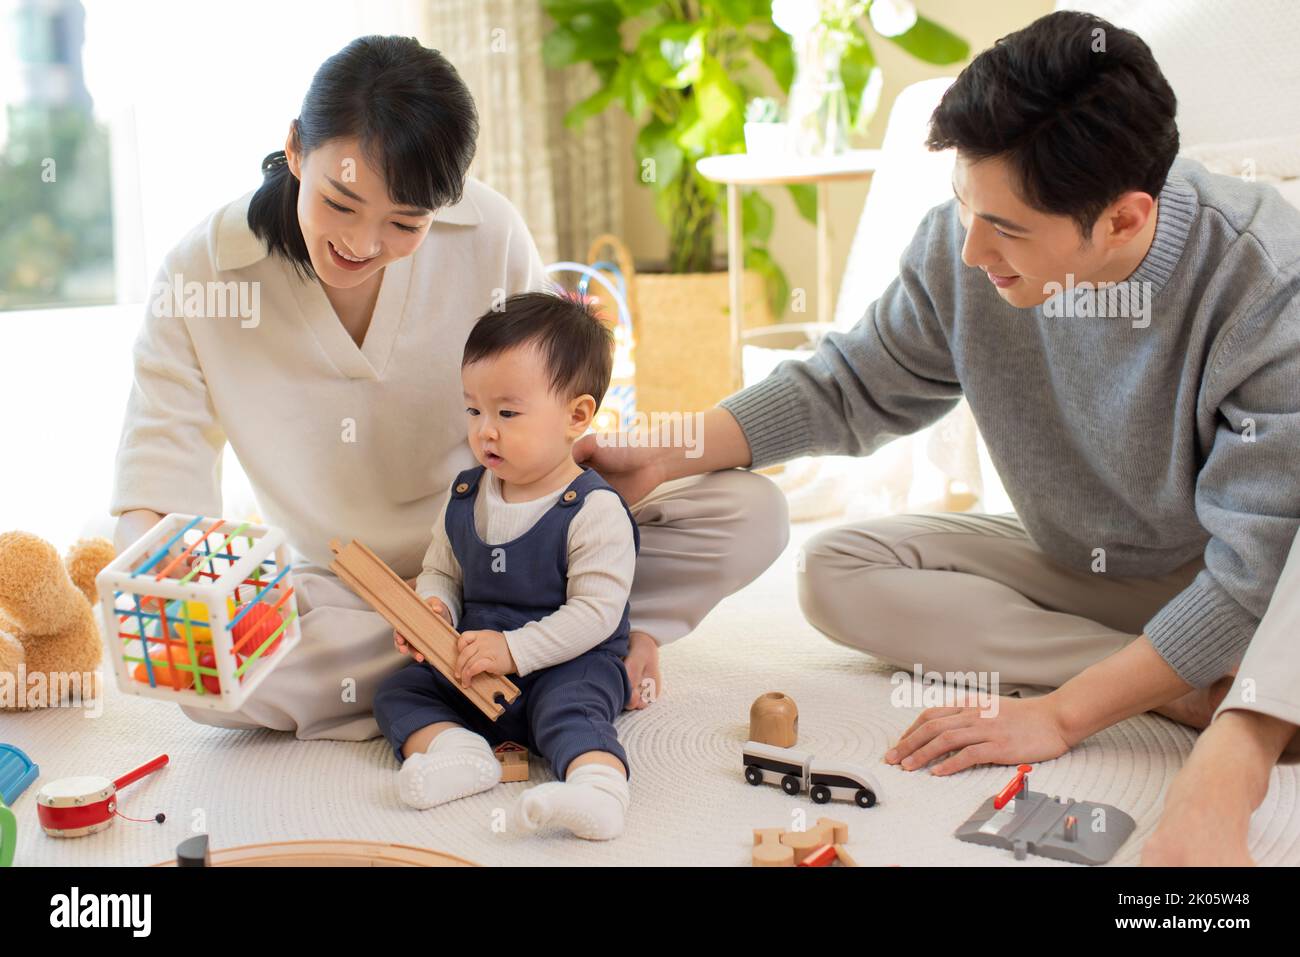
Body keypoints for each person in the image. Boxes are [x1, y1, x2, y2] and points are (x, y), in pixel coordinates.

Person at [574, 10, 1300, 862]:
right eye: (965, 208)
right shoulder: (964, 250)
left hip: (1245, 589)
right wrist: (668, 447)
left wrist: (1060, 714)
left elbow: (1251, 575)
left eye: (1008, 229)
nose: (971, 250)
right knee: (836, 573)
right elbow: (850, 382)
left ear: (1126, 221)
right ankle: (1172, 683)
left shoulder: (1264, 283)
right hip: (1086, 570)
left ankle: (1212, 705)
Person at [110, 35, 787, 743]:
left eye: (405, 223)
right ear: (296, 149)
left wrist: (587, 489)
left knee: (750, 510)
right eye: (341, 203)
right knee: (207, 679)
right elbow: (158, 485)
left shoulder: (487, 227)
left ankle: (520, 649)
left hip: (520, 550)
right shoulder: (201, 273)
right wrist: (165, 602)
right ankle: (562, 651)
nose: (363, 244)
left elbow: (549, 404)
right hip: (351, 589)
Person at [375, 292, 636, 840]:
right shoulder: (467, 492)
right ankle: (461, 752)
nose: (484, 430)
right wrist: (434, 608)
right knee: (399, 692)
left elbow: (597, 613)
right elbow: (442, 569)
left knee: (574, 711)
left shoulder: (593, 509)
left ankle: (598, 792)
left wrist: (516, 650)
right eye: (474, 410)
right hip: (475, 666)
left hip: (566, 662)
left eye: (507, 413)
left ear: (577, 415)